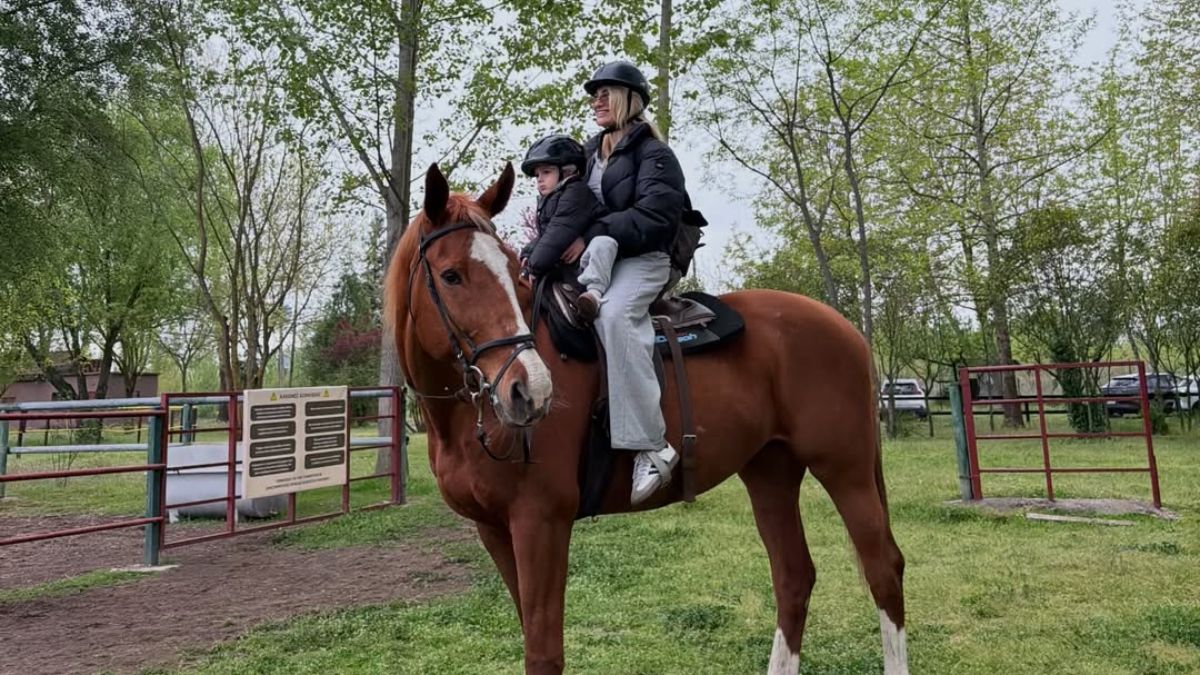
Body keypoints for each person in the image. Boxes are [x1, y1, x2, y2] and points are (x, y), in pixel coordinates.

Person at [575, 60, 687, 505]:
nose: (597, 100)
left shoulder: (655, 155)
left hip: (645, 258)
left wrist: (596, 230)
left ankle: (652, 447)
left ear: (631, 100)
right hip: (596, 256)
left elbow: (658, 219)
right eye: (594, 94)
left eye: (607, 92)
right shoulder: (586, 153)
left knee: (616, 316)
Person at [518, 134, 614, 323]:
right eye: (537, 175)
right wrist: (527, 253)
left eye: (546, 172)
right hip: (569, 265)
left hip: (587, 265)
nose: (539, 179)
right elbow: (546, 236)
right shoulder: (553, 198)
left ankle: (593, 299)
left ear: (568, 171)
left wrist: (532, 268)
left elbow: (558, 231)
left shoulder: (575, 193)